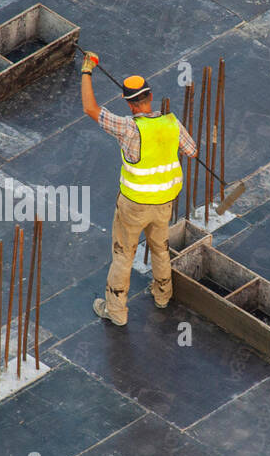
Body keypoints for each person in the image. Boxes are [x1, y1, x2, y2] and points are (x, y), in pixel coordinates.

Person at [80, 50, 197, 327]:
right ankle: (162, 296)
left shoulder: (128, 128)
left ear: (130, 104)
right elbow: (192, 151)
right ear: (149, 98)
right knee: (160, 248)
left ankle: (116, 313)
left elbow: (90, 109)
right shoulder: (170, 123)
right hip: (164, 203)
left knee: (123, 256)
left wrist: (87, 71)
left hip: (133, 205)